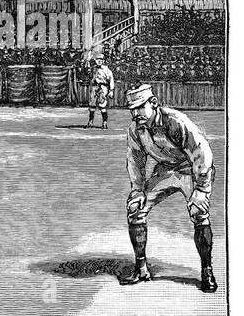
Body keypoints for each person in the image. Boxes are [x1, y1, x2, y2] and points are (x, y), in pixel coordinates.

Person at [121, 84, 217, 293]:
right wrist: (137, 189)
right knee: (136, 208)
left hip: (191, 169)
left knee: (199, 213)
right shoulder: (136, 129)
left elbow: (202, 153)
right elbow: (135, 160)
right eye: (132, 110)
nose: (135, 114)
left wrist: (201, 190)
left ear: (153, 103)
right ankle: (141, 268)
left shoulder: (175, 121)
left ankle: (207, 270)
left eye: (139, 107)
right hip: (165, 171)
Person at [86, 56, 115, 129]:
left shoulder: (106, 69)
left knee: (102, 105)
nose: (99, 61)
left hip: (103, 88)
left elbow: (111, 80)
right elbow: (87, 75)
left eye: (101, 60)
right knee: (92, 105)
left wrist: (111, 90)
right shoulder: (93, 68)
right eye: (98, 59)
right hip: (94, 87)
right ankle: (90, 122)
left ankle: (104, 122)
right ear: (95, 60)